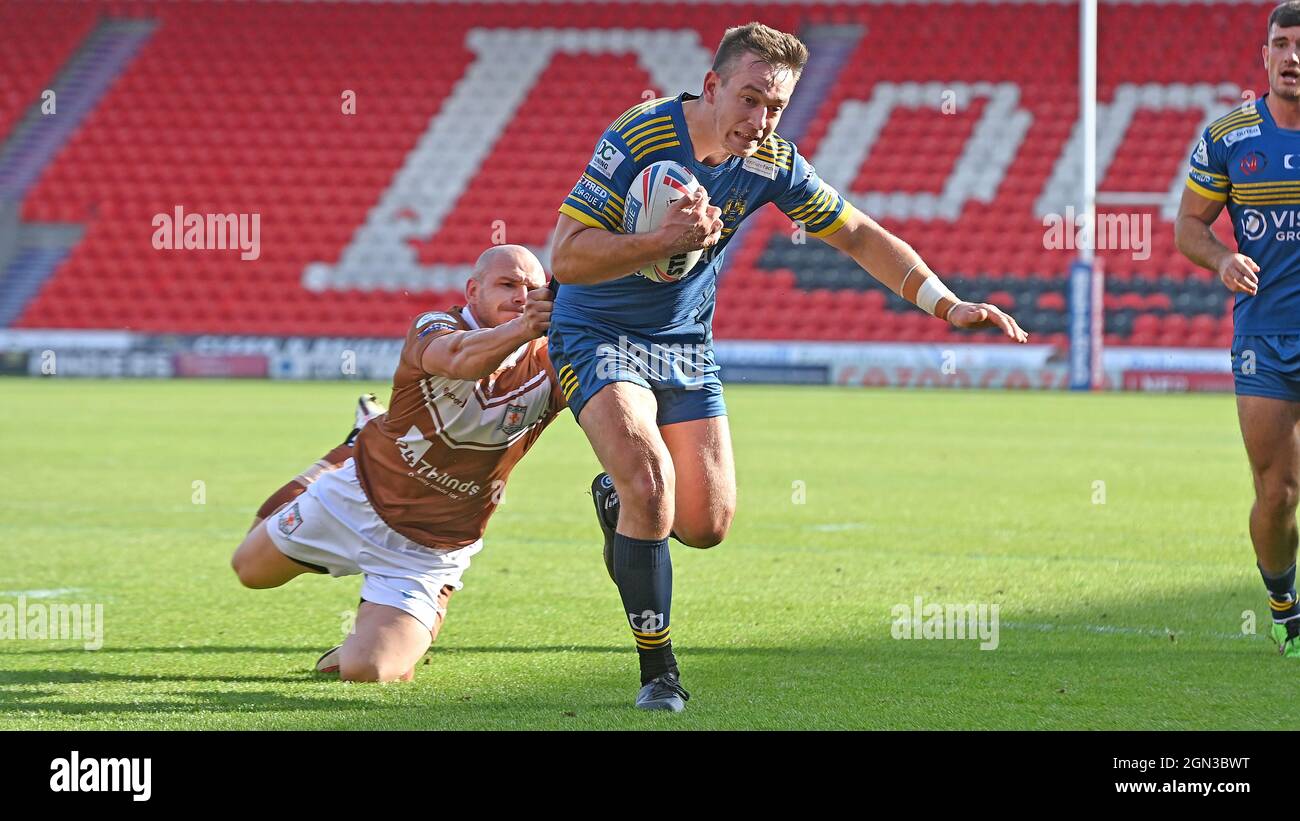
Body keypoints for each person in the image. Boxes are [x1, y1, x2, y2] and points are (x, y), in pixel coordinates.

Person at [549, 22, 1027, 711]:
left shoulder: (771, 161)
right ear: (712, 85)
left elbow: (857, 232)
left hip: (682, 342)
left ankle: (618, 500)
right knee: (651, 482)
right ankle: (660, 672)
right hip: (596, 330)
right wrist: (658, 240)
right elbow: (565, 255)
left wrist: (946, 304)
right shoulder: (639, 136)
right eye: (749, 100)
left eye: (775, 106)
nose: (761, 120)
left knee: (706, 525)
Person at [231, 245, 564, 681]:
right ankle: (346, 451)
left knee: (366, 669)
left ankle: (382, 636)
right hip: (357, 494)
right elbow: (460, 359)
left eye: (533, 289)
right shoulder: (435, 326)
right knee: (249, 571)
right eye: (508, 284)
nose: (521, 295)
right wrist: (525, 327)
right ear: (473, 290)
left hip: (429, 546)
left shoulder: (553, 360)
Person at [1175, 1, 1300, 658]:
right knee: (1277, 490)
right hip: (1266, 340)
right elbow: (1188, 225)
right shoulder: (1230, 136)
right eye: (1281, 44)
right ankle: (1285, 606)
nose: (1293, 57)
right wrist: (1222, 257)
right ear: (1265, 55)